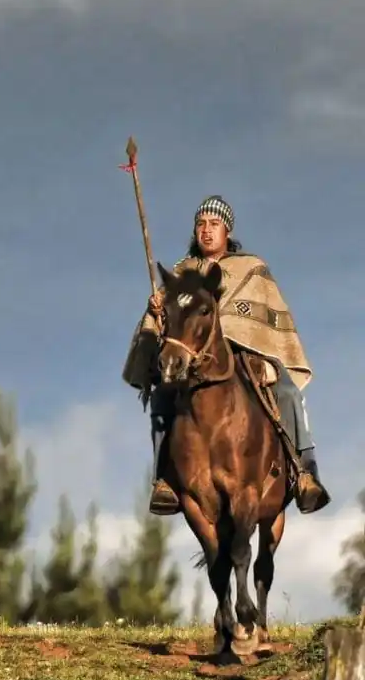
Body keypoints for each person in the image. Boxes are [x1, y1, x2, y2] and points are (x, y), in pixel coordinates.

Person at [123, 194, 329, 516]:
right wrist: (159, 310)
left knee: (287, 391)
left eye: (214, 224)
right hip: (193, 359)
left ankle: (306, 473)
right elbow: (171, 322)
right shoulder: (182, 271)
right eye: (201, 224)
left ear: (227, 231)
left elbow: (268, 320)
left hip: (248, 353)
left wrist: (272, 363)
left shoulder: (252, 268)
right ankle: (163, 479)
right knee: (163, 398)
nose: (206, 230)